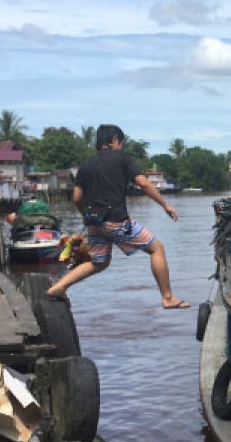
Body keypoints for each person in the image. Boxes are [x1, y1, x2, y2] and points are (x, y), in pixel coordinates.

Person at [46, 124, 189, 308]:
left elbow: (77, 197)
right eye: (121, 143)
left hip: (94, 223)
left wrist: (86, 217)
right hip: (116, 221)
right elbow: (143, 183)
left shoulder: (86, 164)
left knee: (99, 262)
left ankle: (59, 287)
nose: (121, 146)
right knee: (156, 248)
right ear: (114, 140)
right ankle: (168, 298)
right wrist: (165, 204)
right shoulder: (123, 159)